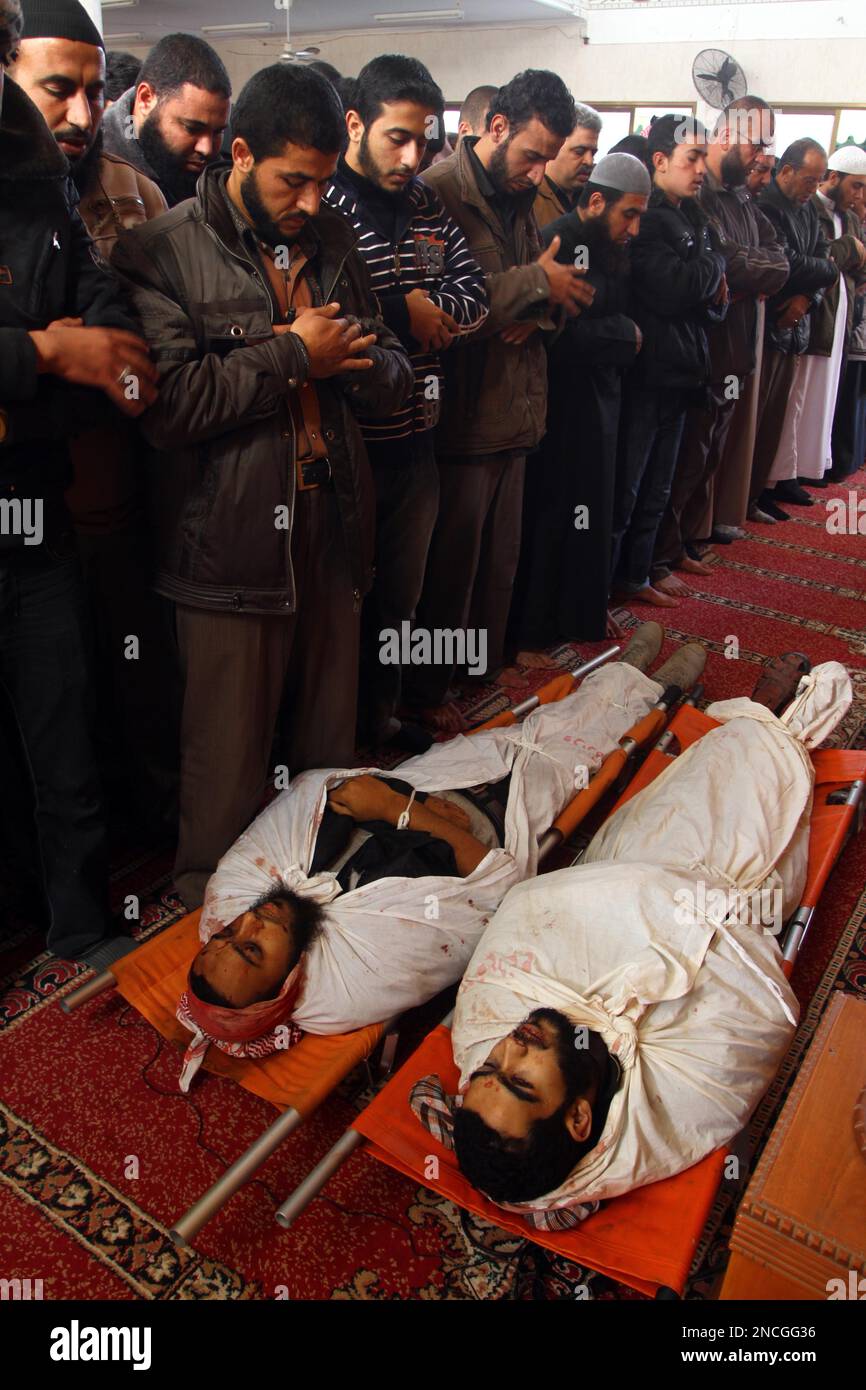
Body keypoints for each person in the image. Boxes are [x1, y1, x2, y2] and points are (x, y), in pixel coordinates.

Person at [111, 63, 414, 910]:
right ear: (239, 154)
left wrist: (356, 363)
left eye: (324, 180)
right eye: (295, 181)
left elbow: (393, 367)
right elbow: (168, 408)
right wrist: (293, 355)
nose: (314, 201)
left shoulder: (335, 239)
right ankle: (209, 924)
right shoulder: (161, 249)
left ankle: (315, 910)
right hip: (229, 541)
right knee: (226, 767)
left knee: (326, 754)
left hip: (335, 522)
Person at [413, 657, 851, 1226]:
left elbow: (527, 909)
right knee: (748, 785)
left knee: (688, 787)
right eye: (520, 1078)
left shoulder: (486, 1035)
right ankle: (771, 720)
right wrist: (663, 912)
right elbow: (762, 1005)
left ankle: (759, 715)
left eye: (490, 1070)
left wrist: (632, 906)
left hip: (621, 866)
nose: (509, 1045)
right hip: (727, 888)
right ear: (577, 1120)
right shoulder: (687, 1101)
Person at [178, 630, 706, 1084]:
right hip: (502, 812)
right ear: (287, 981)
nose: (249, 922)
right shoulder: (360, 961)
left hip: (436, 780)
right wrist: (398, 809)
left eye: (227, 934)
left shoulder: (264, 887)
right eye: (254, 951)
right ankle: (656, 691)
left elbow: (317, 787)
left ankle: (630, 668)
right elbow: (492, 884)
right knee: (580, 744)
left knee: (536, 727)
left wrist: (409, 803)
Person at [0, 0, 160, 966]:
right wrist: (47, 353)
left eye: (94, 91)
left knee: (65, 740)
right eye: (58, 87)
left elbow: (122, 365)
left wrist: (45, 374)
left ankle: (80, 933)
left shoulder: (46, 193)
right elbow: (76, 354)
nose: (80, 111)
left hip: (37, 520)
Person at [404, 70, 594, 728]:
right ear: (496, 128)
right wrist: (528, 287)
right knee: (448, 576)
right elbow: (440, 314)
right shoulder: (435, 195)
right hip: (460, 418)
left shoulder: (526, 197)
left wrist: (535, 299)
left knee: (498, 568)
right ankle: (428, 700)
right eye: (532, 154)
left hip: (516, 412)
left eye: (549, 158)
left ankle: (479, 676)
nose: (540, 172)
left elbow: (551, 297)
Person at [324, 55, 487, 751]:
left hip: (417, 439)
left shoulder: (427, 204)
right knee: (337, 604)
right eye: (398, 137)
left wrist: (429, 310)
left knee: (402, 600)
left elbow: (474, 297)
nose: (413, 156)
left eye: (426, 140)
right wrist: (402, 307)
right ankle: (325, 742)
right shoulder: (323, 203)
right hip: (345, 442)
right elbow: (324, 315)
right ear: (355, 123)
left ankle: (380, 722)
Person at [511, 152, 650, 649]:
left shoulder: (612, 247)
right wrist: (621, 337)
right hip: (565, 405)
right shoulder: (563, 240)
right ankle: (537, 631)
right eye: (628, 214)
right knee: (555, 517)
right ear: (597, 201)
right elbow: (553, 335)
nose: (633, 228)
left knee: (592, 510)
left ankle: (582, 611)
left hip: (603, 400)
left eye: (640, 216)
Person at [651, 98, 788, 588]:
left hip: (736, 354)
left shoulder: (743, 199)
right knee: (685, 458)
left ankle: (683, 542)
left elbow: (780, 262)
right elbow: (726, 265)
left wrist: (752, 271)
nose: (761, 155)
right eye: (757, 141)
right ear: (729, 135)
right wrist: (743, 270)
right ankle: (658, 558)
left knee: (707, 457)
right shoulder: (699, 194)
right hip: (704, 352)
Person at [610, 115, 726, 608]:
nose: (701, 169)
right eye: (691, 158)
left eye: (703, 157)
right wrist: (712, 268)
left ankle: (642, 571)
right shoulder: (649, 218)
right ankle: (610, 584)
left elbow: (716, 299)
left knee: (660, 484)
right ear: (660, 161)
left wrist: (709, 277)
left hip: (683, 370)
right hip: (649, 373)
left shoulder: (693, 218)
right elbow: (671, 290)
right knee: (628, 490)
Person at [748, 139, 838, 522]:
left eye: (818, 182)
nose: (811, 190)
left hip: (793, 324)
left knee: (778, 420)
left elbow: (824, 259)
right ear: (785, 171)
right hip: (769, 327)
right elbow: (787, 262)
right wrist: (820, 273)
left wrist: (807, 299)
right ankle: (747, 495)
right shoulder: (767, 206)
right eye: (807, 180)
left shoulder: (803, 209)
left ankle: (760, 492)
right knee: (756, 422)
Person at [101, 32, 230, 207]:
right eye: (192, 128)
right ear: (146, 99)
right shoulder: (93, 168)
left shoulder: (219, 179)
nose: (206, 149)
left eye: (217, 132)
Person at [801, 146, 866, 486]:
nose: (860, 195)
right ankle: (792, 472)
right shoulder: (810, 209)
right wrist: (850, 251)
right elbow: (821, 259)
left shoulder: (852, 217)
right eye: (856, 185)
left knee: (829, 398)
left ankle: (817, 465)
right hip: (815, 317)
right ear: (834, 178)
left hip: (842, 317)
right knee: (807, 397)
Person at [533, 101, 601, 230]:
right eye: (579, 151)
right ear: (554, 146)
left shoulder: (593, 199)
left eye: (593, 153)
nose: (589, 161)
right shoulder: (528, 200)